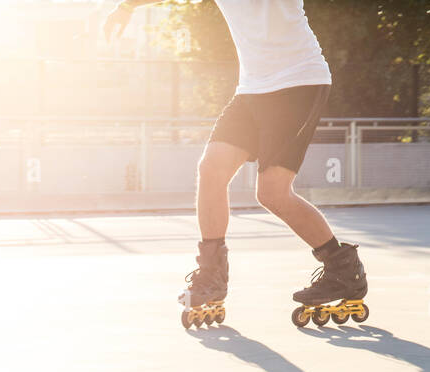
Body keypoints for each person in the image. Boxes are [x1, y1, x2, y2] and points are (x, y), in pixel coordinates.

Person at [104, 0, 367, 326]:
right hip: (253, 89)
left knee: (272, 192)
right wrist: (127, 6)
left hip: (298, 82)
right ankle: (212, 275)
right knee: (211, 169)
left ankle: (343, 269)